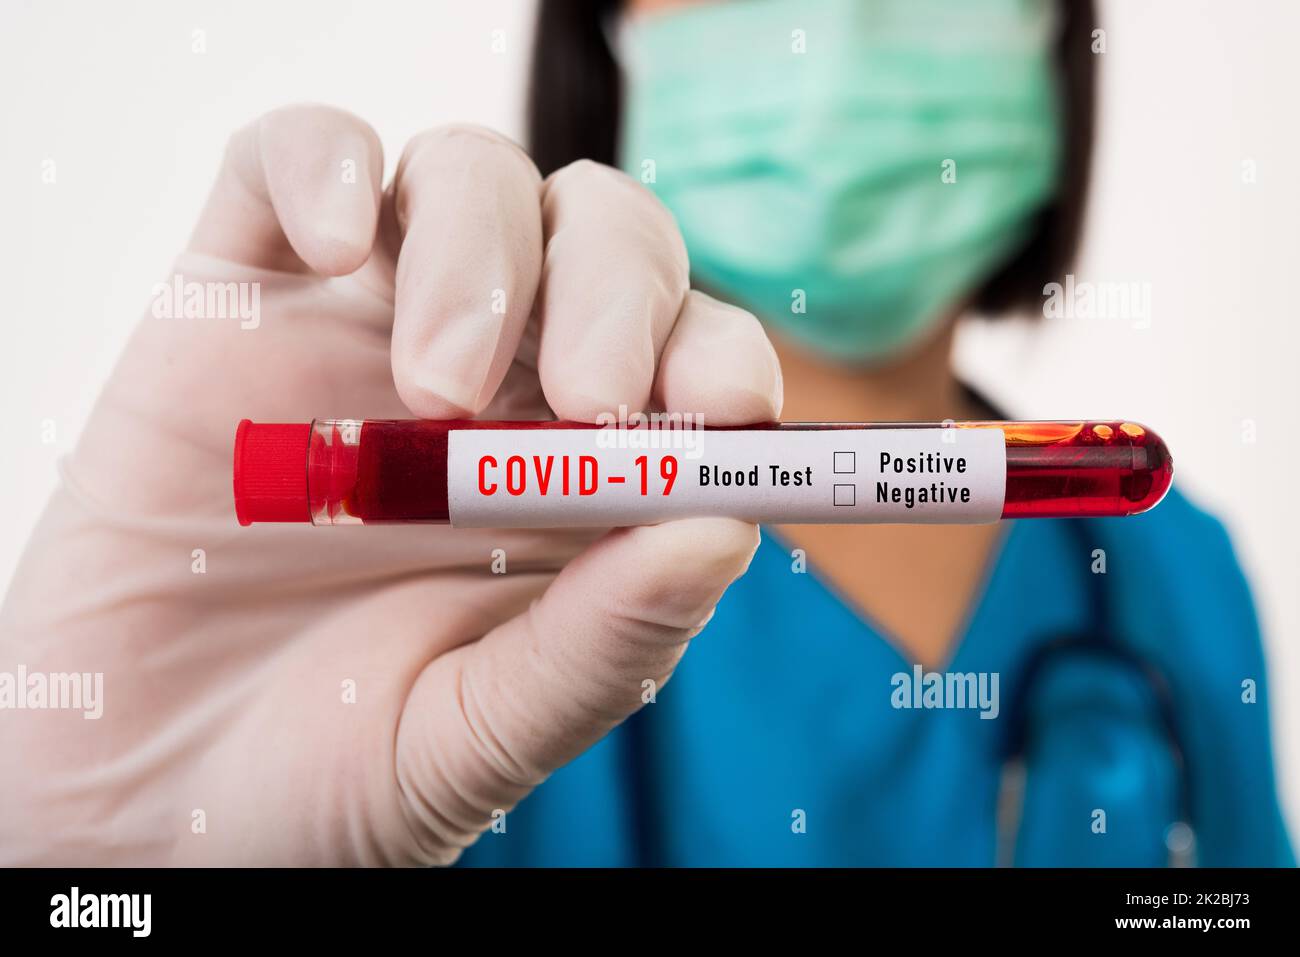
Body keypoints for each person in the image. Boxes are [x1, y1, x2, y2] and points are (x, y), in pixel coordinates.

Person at [0, 0, 1291, 866]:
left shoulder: (1175, 577)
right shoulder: (437, 580)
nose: (828, 35)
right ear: (600, 36)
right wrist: (86, 874)